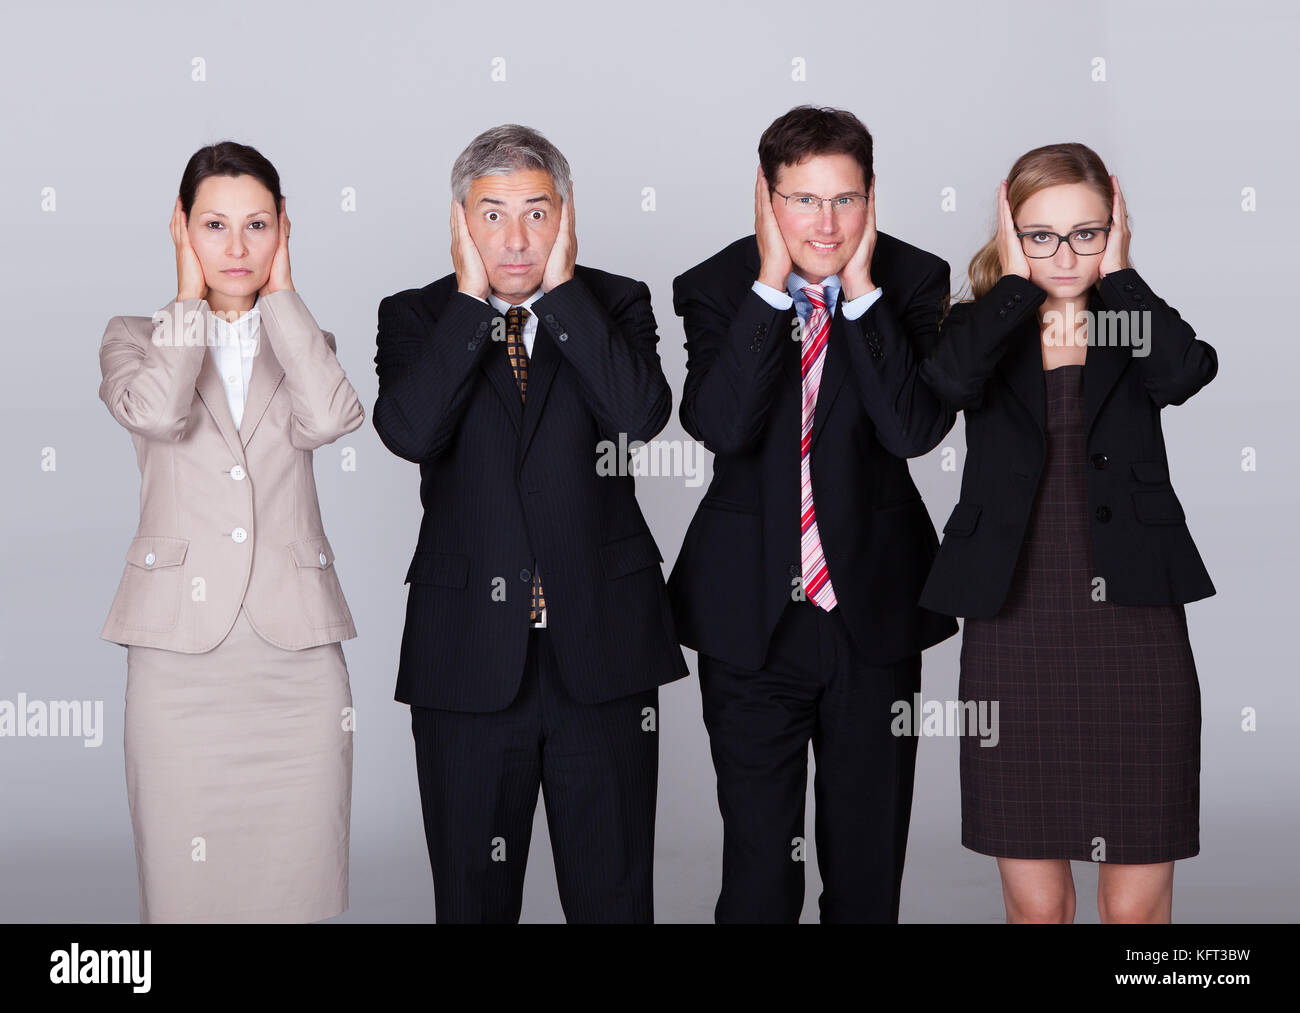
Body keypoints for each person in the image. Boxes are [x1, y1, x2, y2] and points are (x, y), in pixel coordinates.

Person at [372, 124, 688, 923]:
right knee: (473, 900)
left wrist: (561, 294)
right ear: (461, 222)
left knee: (613, 894)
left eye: (537, 213)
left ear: (566, 216)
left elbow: (641, 414)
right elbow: (409, 431)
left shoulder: (612, 302)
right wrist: (473, 305)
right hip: (466, 657)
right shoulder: (416, 316)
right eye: (492, 214)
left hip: (601, 652)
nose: (516, 238)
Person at [668, 105, 959, 923]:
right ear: (766, 198)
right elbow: (719, 425)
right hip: (751, 615)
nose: (824, 223)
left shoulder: (913, 279)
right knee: (760, 866)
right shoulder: (719, 287)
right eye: (802, 199)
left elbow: (913, 431)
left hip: (872, 609)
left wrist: (860, 297)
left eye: (845, 199)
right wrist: (770, 289)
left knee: (867, 863)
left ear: (872, 196)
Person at [917, 142, 1217, 923]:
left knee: (1134, 912)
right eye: (1040, 234)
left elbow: (1185, 372)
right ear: (1011, 232)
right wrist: (1016, 284)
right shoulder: (984, 324)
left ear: (1113, 228)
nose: (1064, 252)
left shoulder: (1132, 316)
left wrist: (1118, 274)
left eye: (1086, 232)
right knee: (1038, 907)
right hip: (1015, 620)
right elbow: (945, 383)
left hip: (1136, 624)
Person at [99, 141, 366, 922]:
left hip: (298, 659)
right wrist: (189, 301)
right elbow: (158, 413)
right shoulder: (133, 336)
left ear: (285, 228)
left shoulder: (304, 339)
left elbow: (332, 418)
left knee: (305, 873)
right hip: (179, 654)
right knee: (184, 883)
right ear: (181, 228)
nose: (238, 247)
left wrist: (283, 298)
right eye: (215, 225)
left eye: (258, 225)